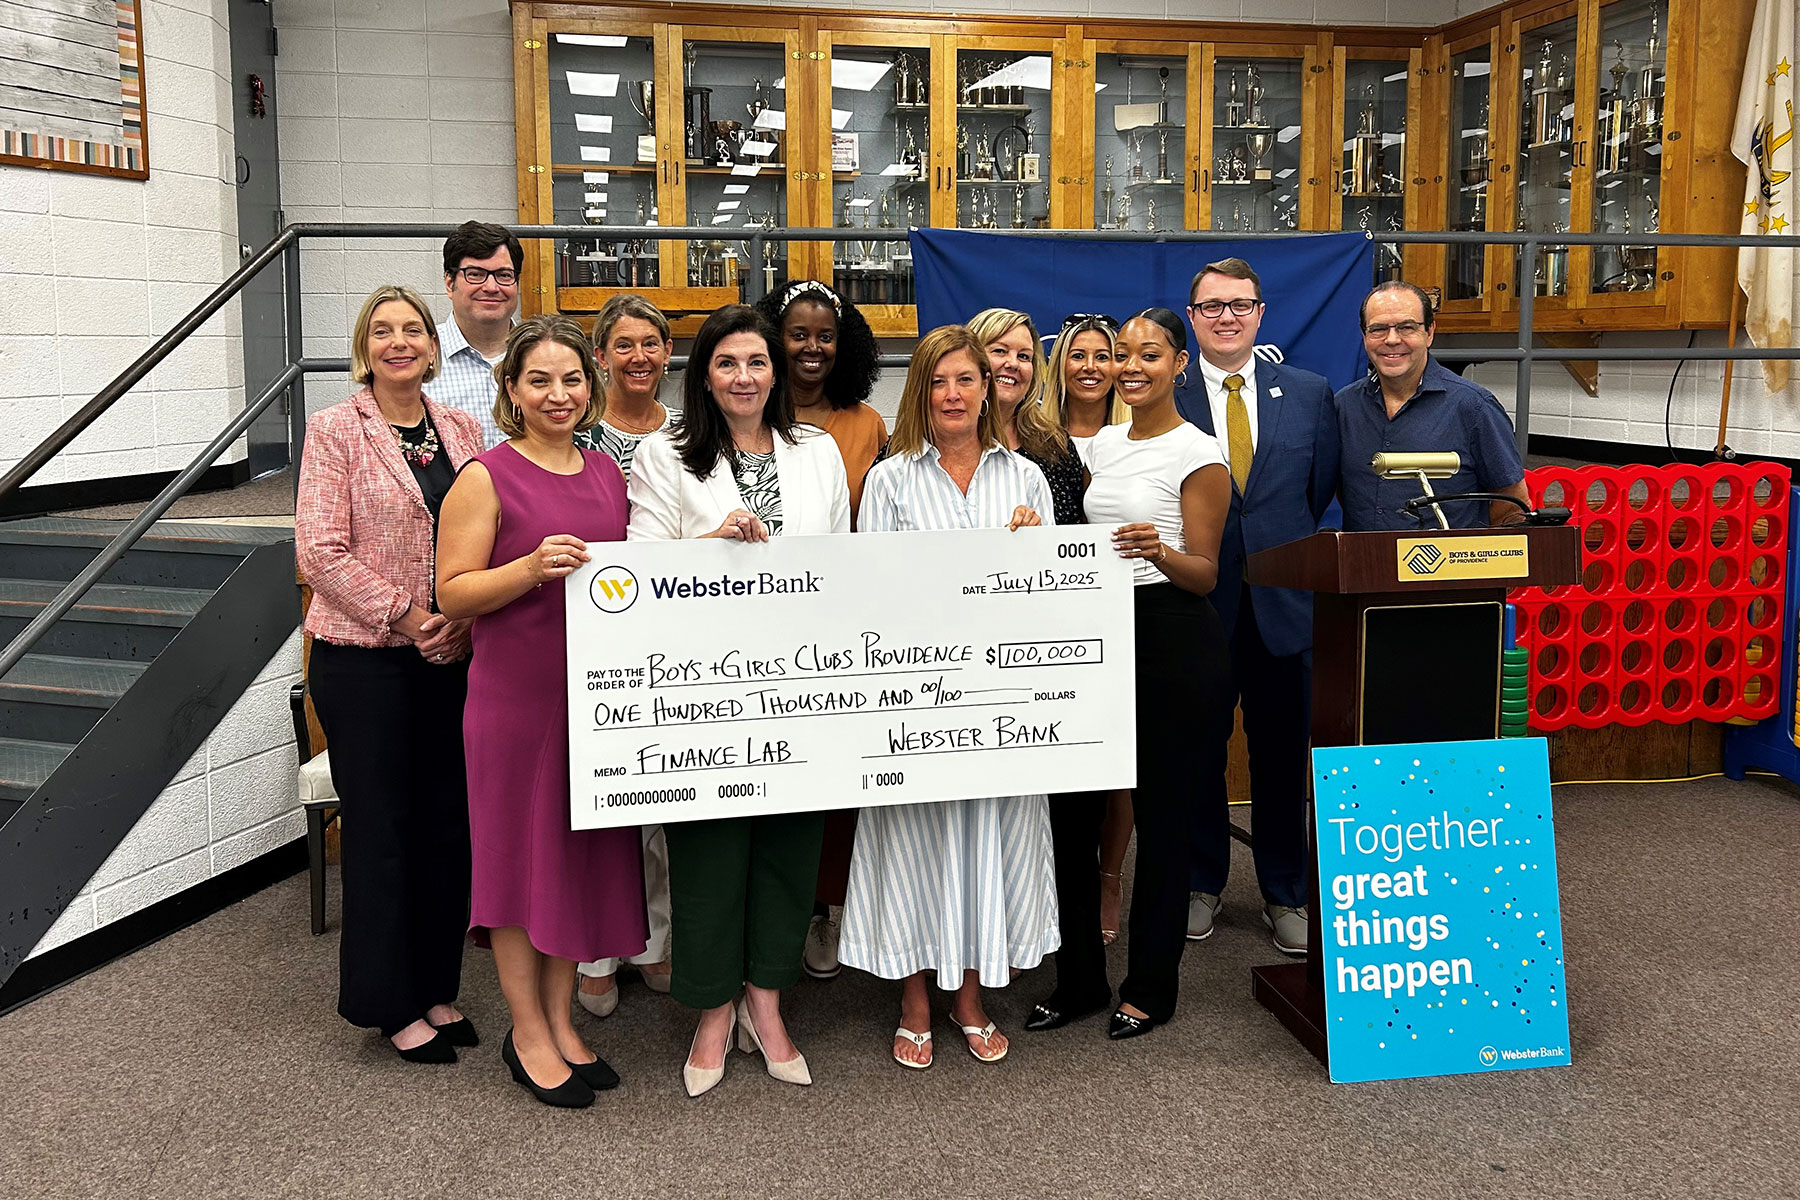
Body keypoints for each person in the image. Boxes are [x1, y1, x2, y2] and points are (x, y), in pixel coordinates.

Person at [626, 304, 851, 1098]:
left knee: (790, 846)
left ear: (775, 370)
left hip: (802, 678)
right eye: (727, 362)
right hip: (705, 682)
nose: (744, 376)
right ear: (705, 373)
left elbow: (842, 565)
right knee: (709, 850)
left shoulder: (817, 451)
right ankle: (714, 1008)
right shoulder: (664, 453)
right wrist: (710, 547)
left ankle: (768, 1001)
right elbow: (640, 568)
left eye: (757, 361)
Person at [436, 315, 650, 1109]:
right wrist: (527, 569)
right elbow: (452, 592)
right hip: (516, 707)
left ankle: (561, 1022)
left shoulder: (606, 473)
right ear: (511, 389)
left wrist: (717, 540)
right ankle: (526, 1032)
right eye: (539, 380)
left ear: (590, 386)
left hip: (592, 701)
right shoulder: (485, 477)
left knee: (573, 866)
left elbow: (638, 573)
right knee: (516, 869)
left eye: (571, 379)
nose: (558, 394)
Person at [842, 324, 1059, 1070]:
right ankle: (912, 998)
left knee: (983, 842)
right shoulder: (891, 479)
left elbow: (1050, 597)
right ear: (920, 393)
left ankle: (968, 994)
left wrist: (1032, 548)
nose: (953, 394)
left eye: (966, 379)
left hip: (1001, 699)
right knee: (915, 844)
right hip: (917, 696)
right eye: (937, 381)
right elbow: (871, 594)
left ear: (989, 387)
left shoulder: (1026, 480)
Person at [1028, 307, 1232, 1041]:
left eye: (1150, 354)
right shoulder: (1106, 444)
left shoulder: (1200, 453)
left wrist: (1160, 552)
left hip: (1171, 631)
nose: (1131, 366)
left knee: (1163, 817)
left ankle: (1151, 985)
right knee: (1071, 812)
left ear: (1180, 364)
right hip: (1096, 631)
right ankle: (1079, 979)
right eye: (1123, 353)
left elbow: (1206, 574)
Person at [295, 284, 482, 1064]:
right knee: (381, 833)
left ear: (433, 348)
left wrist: (463, 617)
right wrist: (408, 616)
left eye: (412, 329)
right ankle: (389, 1002)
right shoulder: (335, 428)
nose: (398, 341)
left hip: (451, 658)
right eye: (382, 330)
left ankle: (436, 987)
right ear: (364, 348)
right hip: (365, 663)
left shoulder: (463, 428)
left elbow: (484, 535)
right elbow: (319, 552)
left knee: (446, 827)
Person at [1172, 257, 1340, 956]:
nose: (1227, 317)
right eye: (1212, 306)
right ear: (1192, 317)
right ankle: (1200, 883)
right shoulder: (1164, 393)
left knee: (1281, 758)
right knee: (1198, 755)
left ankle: (1285, 892)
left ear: (1261, 314)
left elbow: (1316, 491)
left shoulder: (1309, 393)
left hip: (1283, 609)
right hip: (1198, 609)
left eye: (1239, 304)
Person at [752, 279, 886, 983]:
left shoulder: (867, 424)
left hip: (841, 623)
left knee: (834, 779)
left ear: (846, 344)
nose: (811, 347)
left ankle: (822, 906)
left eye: (825, 336)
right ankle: (764, 910)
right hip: (754, 624)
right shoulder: (749, 413)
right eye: (797, 334)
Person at [571, 294, 677, 1017]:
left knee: (662, 803)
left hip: (672, 636)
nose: (639, 356)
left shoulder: (691, 434)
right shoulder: (577, 435)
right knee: (601, 802)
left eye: (652, 343)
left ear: (668, 353)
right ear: (601, 356)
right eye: (624, 345)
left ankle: (655, 942)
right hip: (591, 634)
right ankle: (596, 954)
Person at [1043, 313, 1134, 945]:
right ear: (1061, 365)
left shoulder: (1139, 436)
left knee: (1117, 760)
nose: (1092, 367)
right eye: (1079, 355)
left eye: (1105, 356)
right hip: (1052, 616)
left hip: (1123, 609)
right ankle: (1056, 882)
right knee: (1062, 760)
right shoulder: (1037, 439)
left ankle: (1109, 877)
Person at [1336, 281, 1529, 531]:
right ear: (1364, 337)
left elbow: (1512, 504)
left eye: (1407, 327)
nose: (1392, 339)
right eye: (1378, 329)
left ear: (1429, 332)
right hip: (1364, 554)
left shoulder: (1474, 408)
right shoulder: (1344, 407)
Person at [432, 221, 523, 449]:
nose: (491, 287)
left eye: (504, 275)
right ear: (449, 283)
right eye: (475, 274)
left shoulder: (540, 353)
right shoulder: (422, 358)